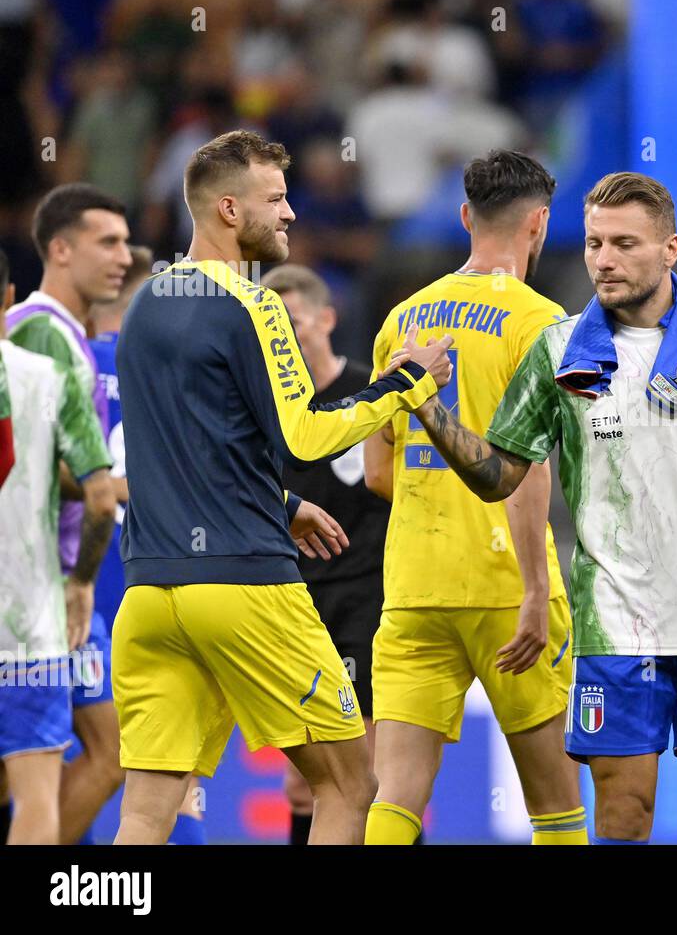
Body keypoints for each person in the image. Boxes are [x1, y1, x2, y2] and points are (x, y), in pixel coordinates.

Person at [406, 172, 677, 844]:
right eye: (595, 243)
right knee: (624, 813)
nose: (604, 259)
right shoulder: (557, 350)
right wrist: (428, 407)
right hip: (616, 624)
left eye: (626, 244)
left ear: (669, 250)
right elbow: (499, 475)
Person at [110, 129, 452, 845]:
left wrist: (285, 502)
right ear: (229, 210)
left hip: (148, 595)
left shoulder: (144, 304)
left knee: (147, 811)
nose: (292, 212)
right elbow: (306, 435)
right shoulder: (255, 304)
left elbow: (174, 447)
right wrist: (408, 379)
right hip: (244, 588)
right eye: (276, 198)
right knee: (351, 784)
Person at [362, 150, 583, 847]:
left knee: (396, 793)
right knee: (553, 801)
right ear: (539, 224)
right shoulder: (542, 321)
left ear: (465, 217)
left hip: (414, 584)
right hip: (505, 585)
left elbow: (376, 471)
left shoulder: (400, 320)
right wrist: (536, 587)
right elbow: (532, 470)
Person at [4, 183, 131, 845]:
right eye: (106, 241)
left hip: (57, 580)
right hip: (39, 584)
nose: (123, 255)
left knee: (94, 755)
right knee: (78, 757)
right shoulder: (39, 333)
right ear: (59, 248)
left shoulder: (62, 336)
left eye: (125, 241)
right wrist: (103, 486)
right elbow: (25, 466)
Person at [265, 264, 393, 846]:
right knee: (304, 788)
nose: (285, 337)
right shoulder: (265, 417)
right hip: (292, 613)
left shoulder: (372, 399)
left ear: (327, 319)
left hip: (365, 611)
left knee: (366, 782)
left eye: (293, 321)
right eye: (273, 329)